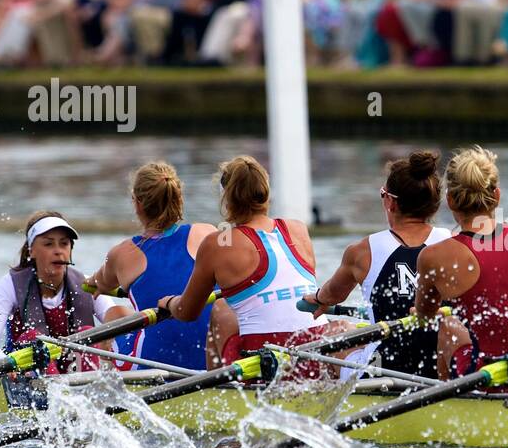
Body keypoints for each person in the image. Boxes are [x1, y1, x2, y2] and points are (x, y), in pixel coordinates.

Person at [413, 147, 508, 392]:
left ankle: (446, 408)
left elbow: (423, 318)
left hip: (495, 381)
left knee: (448, 326)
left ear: (450, 200)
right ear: (496, 195)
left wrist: (428, 311)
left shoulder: (433, 256)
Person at [158, 155, 331, 368]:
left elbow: (187, 312)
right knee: (225, 308)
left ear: (227, 198)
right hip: (319, 351)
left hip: (264, 358)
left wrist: (169, 302)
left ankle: (219, 391)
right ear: (266, 192)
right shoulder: (298, 228)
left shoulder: (218, 242)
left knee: (220, 309)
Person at [307, 150, 452, 379]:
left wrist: (318, 298)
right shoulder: (454, 243)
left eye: (382, 193)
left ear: (391, 202)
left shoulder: (362, 252)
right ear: (434, 204)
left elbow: (333, 295)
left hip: (386, 367)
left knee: (333, 336)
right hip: (443, 366)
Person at [87, 162, 220, 370]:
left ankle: (108, 386)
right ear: (179, 198)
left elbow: (100, 283)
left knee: (115, 315)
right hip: (212, 361)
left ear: (137, 203)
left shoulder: (122, 253)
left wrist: (91, 282)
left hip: (153, 365)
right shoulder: (207, 233)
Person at [0, 211, 128, 385]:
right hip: (25, 374)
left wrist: (115, 327)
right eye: (49, 244)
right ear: (31, 250)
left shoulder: (86, 285)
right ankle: (62, 391)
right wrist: (7, 367)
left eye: (64, 244)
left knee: (89, 332)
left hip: (77, 375)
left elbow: (117, 318)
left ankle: (92, 389)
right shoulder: (11, 284)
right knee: (34, 338)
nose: (58, 251)